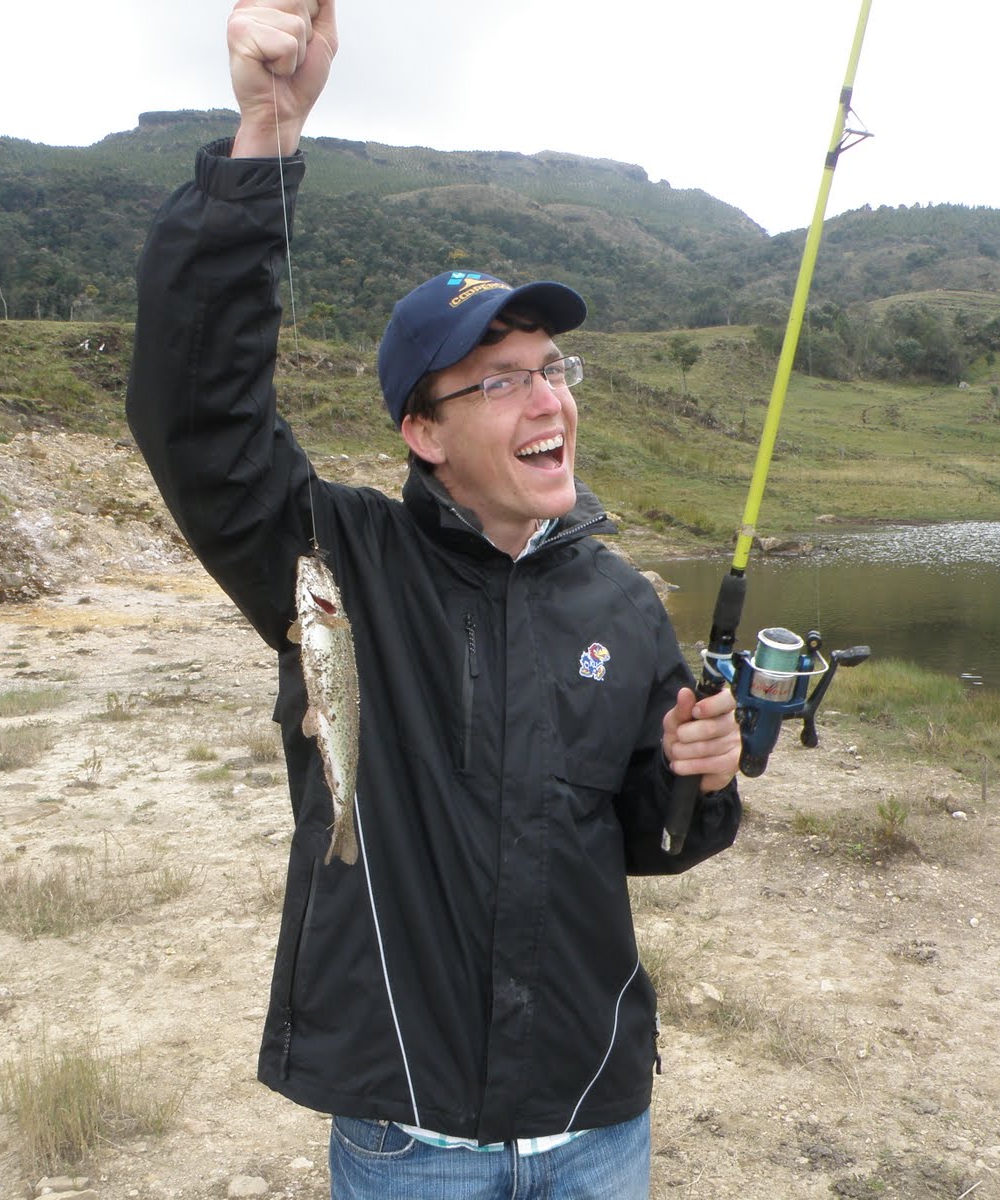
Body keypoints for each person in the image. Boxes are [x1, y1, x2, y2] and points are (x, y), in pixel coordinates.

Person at [125, 2, 743, 1196]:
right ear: (422, 431)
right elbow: (196, 416)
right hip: (407, 1141)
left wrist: (699, 775)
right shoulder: (338, 559)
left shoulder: (621, 603)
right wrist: (264, 136)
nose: (547, 401)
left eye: (552, 371)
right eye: (500, 380)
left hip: (597, 1122)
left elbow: (648, 842)